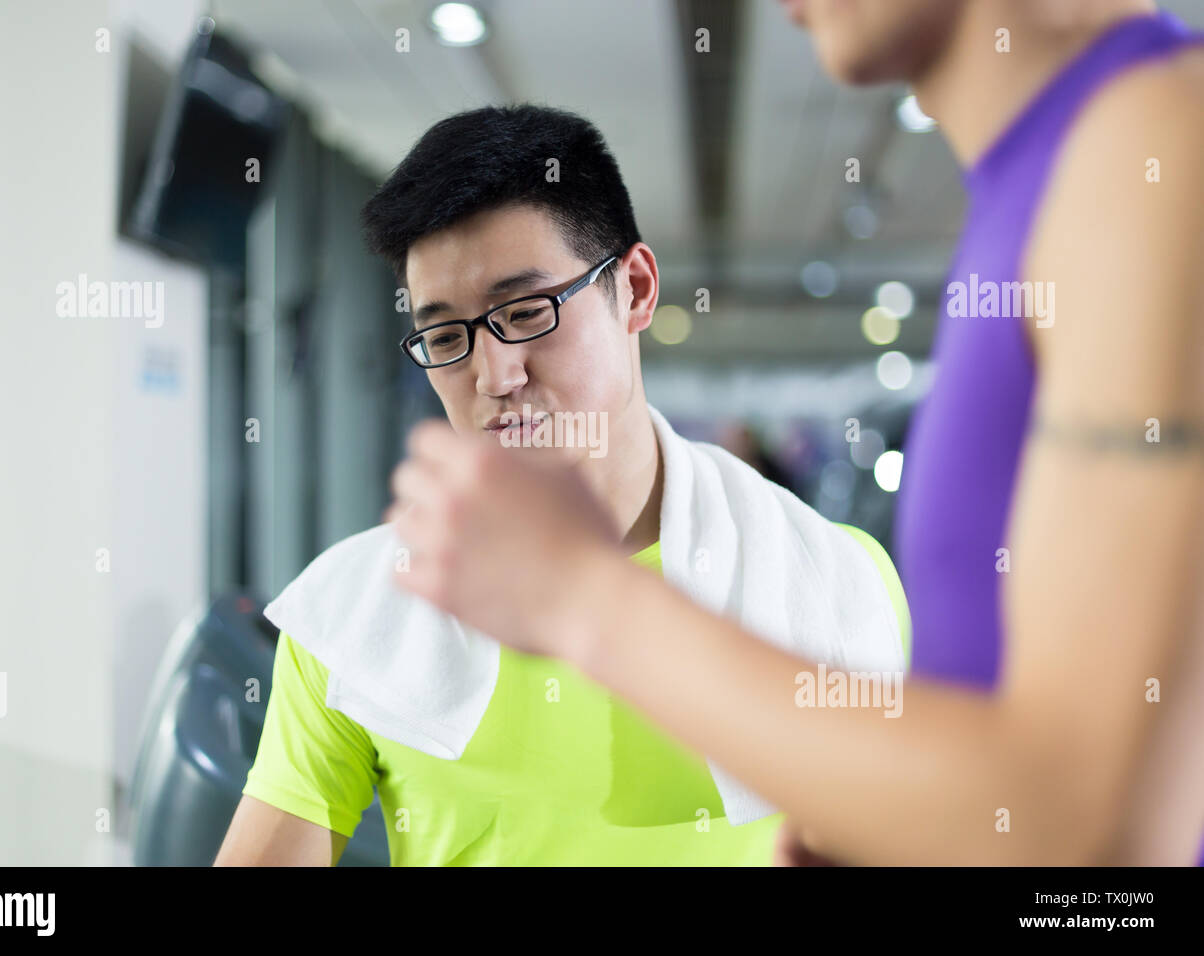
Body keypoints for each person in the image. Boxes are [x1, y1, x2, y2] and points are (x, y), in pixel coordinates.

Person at [386, 0, 1204, 864]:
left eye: (522, 311)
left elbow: (1098, 831)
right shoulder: (1045, 176)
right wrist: (896, 822)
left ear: (632, 290)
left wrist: (584, 594)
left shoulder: (1151, 141)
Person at [215, 105, 910, 866]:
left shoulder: (835, 578)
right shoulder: (355, 610)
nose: (494, 375)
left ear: (636, 289)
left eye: (524, 311)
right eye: (446, 336)